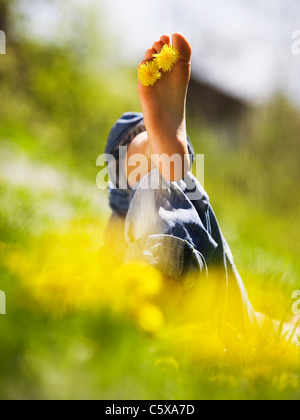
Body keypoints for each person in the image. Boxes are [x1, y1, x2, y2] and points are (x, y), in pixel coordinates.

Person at [104, 33, 298, 346]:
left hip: (218, 327)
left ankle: (144, 150)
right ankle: (147, 149)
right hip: (231, 322)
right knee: (158, 184)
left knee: (157, 183)